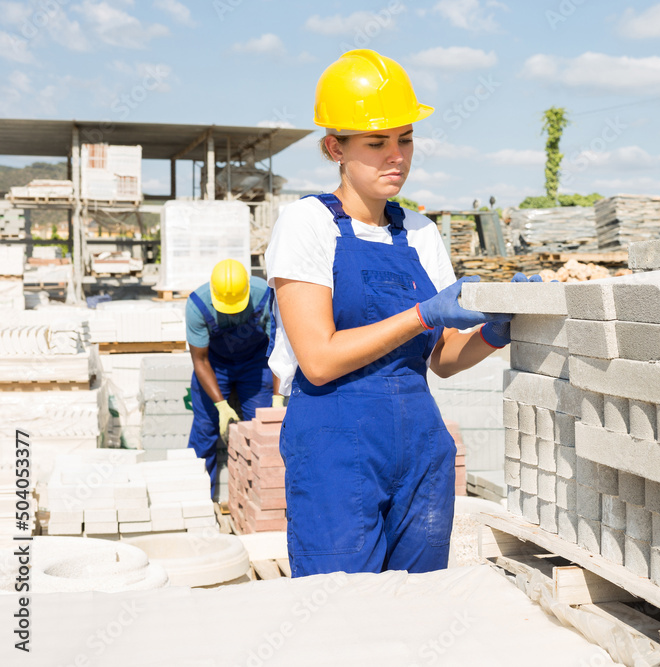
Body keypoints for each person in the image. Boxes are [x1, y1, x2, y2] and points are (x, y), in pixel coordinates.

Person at [265, 49, 517, 577]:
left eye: (405, 139)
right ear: (334, 147)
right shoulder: (308, 224)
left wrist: (497, 331)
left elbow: (444, 359)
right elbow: (318, 360)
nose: (395, 156)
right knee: (341, 611)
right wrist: (423, 315)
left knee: (417, 609)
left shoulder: (420, 232)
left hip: (419, 444)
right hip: (336, 439)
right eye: (376, 142)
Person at [186, 259, 281, 498]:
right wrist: (221, 405)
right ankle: (198, 502)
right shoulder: (197, 304)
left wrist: (278, 399)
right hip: (215, 365)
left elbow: (279, 347)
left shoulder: (264, 296)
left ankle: (257, 501)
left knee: (260, 429)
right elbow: (200, 361)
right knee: (205, 431)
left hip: (255, 364)